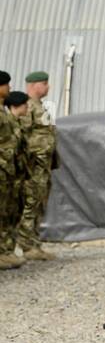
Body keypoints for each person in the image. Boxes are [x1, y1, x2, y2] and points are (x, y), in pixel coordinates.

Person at [15, 70, 57, 260]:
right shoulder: (27, 106)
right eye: (44, 83)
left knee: (40, 203)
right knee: (30, 203)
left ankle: (34, 243)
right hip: (33, 165)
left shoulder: (42, 106)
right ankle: (25, 244)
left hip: (44, 165)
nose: (48, 87)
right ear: (33, 85)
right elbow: (21, 136)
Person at [0, 91, 30, 270]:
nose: (27, 108)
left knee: (11, 213)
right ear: (16, 105)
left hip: (14, 175)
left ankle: (7, 249)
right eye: (25, 105)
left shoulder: (15, 122)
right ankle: (4, 251)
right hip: (7, 173)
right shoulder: (6, 121)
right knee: (4, 214)